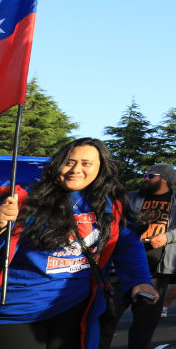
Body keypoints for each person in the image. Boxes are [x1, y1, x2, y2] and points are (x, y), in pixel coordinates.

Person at [0, 137, 157, 349]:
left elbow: (127, 243)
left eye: (86, 163)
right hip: (19, 310)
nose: (76, 169)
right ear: (57, 164)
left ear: (101, 168)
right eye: (69, 161)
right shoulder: (24, 197)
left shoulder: (110, 203)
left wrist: (140, 279)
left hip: (77, 308)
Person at [103, 163, 176, 349]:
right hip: (124, 268)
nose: (145, 179)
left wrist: (167, 237)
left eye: (150, 176)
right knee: (107, 318)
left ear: (164, 179)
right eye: (145, 175)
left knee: (144, 326)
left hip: (156, 270)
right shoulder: (130, 197)